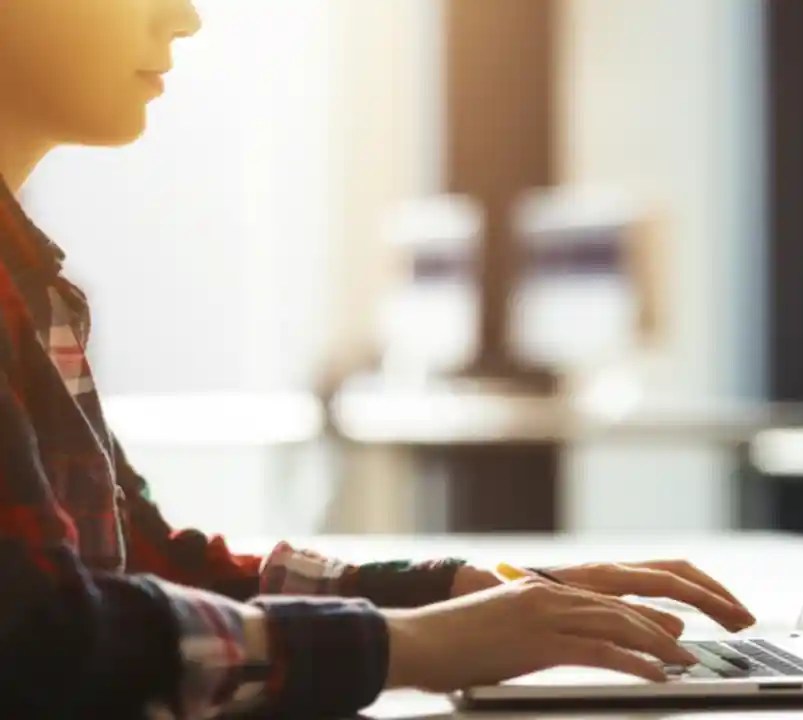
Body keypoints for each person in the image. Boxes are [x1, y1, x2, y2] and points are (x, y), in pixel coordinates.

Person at [0, 1, 756, 717]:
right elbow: (45, 642)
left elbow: (147, 566)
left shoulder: (29, 281)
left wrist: (466, 594)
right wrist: (414, 646)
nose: (186, 18)